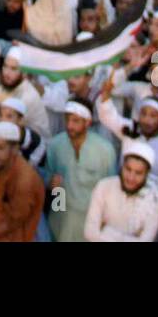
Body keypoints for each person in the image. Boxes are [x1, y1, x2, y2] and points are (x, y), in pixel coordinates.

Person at [44, 98, 118, 242]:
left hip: (90, 219)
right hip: (60, 216)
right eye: (67, 120)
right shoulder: (55, 145)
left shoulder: (105, 150)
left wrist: (105, 218)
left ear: (88, 122)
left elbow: (111, 188)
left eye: (76, 121)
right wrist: (49, 181)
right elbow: (49, 176)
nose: (70, 125)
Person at [83, 141, 158, 242]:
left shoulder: (156, 201)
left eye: (138, 173)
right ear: (122, 166)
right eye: (128, 169)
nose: (131, 178)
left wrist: (107, 231)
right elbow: (89, 233)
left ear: (147, 174)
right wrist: (133, 238)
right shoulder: (104, 186)